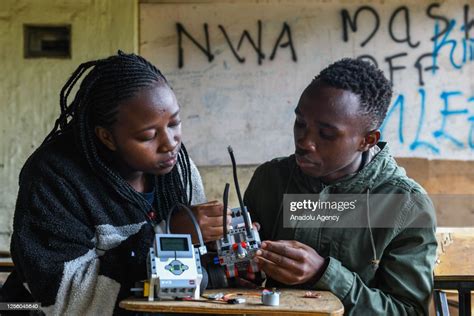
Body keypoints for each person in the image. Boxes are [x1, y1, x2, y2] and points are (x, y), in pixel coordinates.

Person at [1, 51, 230, 315]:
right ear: (107, 137)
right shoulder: (54, 176)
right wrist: (165, 235)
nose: (170, 143)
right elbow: (60, 296)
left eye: (174, 122)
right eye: (148, 136)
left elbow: (188, 273)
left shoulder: (178, 170)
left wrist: (221, 258)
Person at [244, 58, 437, 315]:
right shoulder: (271, 180)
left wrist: (325, 274)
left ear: (367, 141)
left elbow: (409, 311)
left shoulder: (405, 204)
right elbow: (241, 281)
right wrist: (235, 261)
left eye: (326, 134)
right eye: (300, 123)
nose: (305, 142)